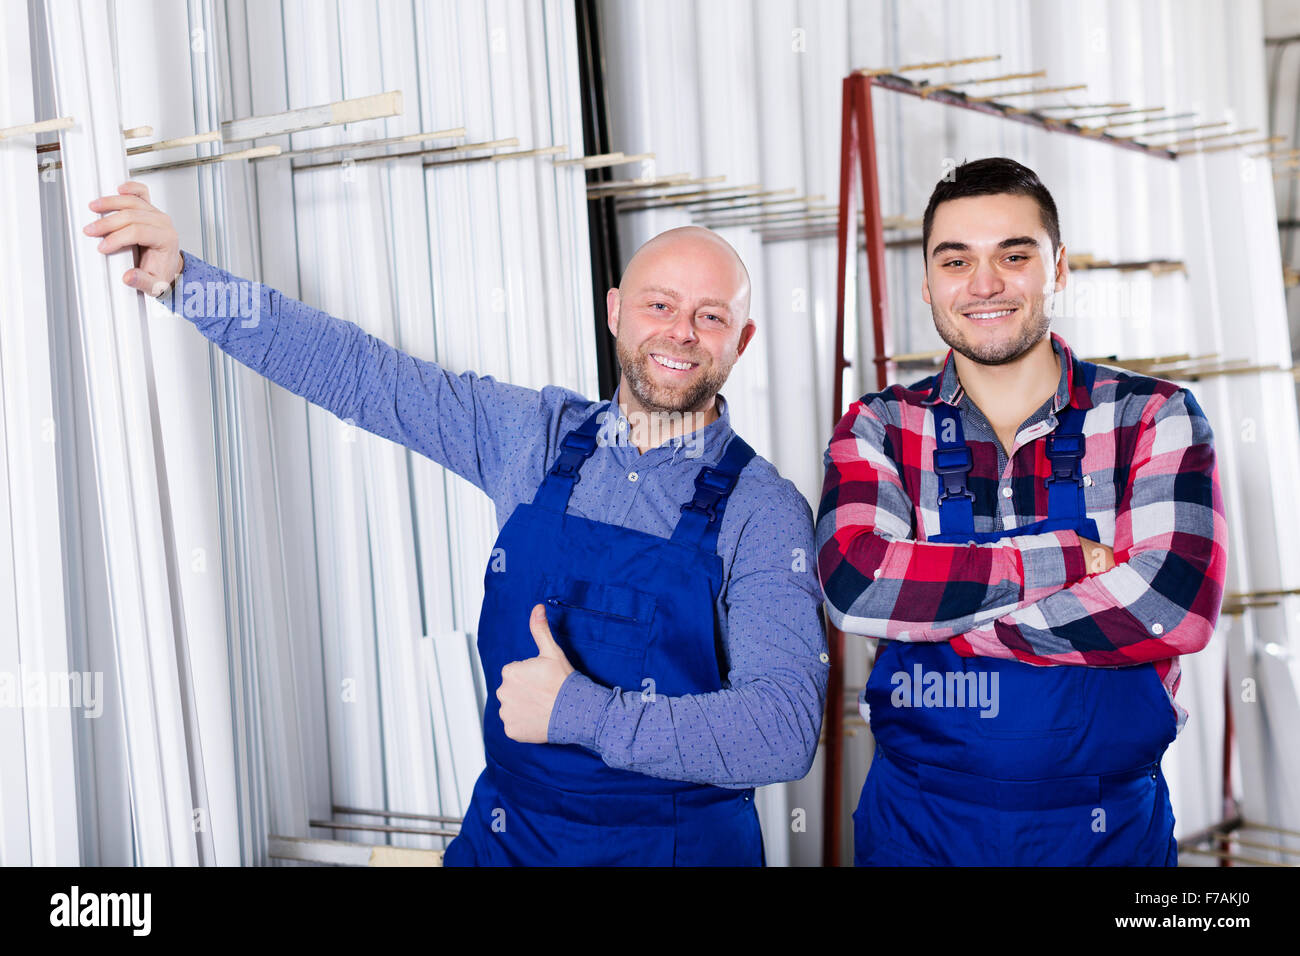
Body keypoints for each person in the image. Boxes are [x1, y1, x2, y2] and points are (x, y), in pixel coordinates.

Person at [84, 182, 827, 866]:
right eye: (658, 305)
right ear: (613, 311)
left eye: (711, 316)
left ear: (743, 339)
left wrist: (585, 713)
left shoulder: (762, 512)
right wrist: (187, 280)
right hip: (511, 839)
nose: (681, 333)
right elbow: (358, 373)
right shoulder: (532, 437)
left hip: (675, 852)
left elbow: (783, 729)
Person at [815, 157, 1228, 866]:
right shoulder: (879, 427)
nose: (984, 284)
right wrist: (1073, 560)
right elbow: (857, 586)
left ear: (1059, 267)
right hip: (920, 828)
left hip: (1105, 833)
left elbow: (1173, 606)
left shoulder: (1152, 416)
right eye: (956, 260)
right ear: (927, 283)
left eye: (1014, 255)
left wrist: (943, 626)